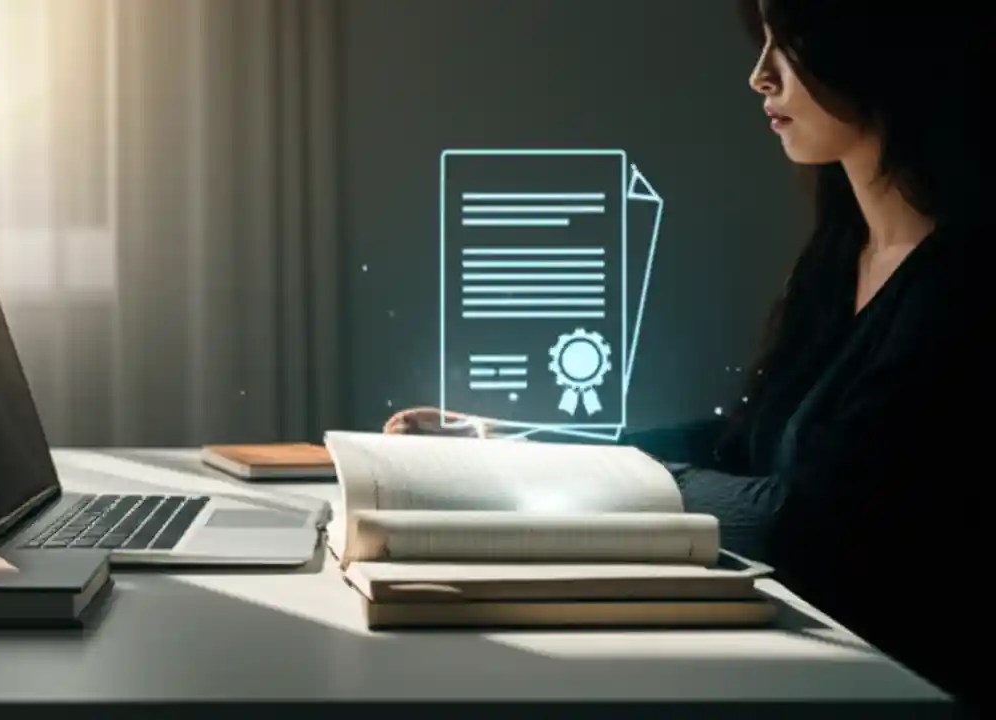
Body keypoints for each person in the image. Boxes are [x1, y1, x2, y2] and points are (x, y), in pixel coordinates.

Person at [386, 0, 989, 707]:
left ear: (872, 52)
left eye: (787, 44)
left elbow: (803, 523)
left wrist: (591, 482)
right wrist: (513, 444)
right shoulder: (837, 260)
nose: (760, 76)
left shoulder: (964, 287)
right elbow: (741, 447)